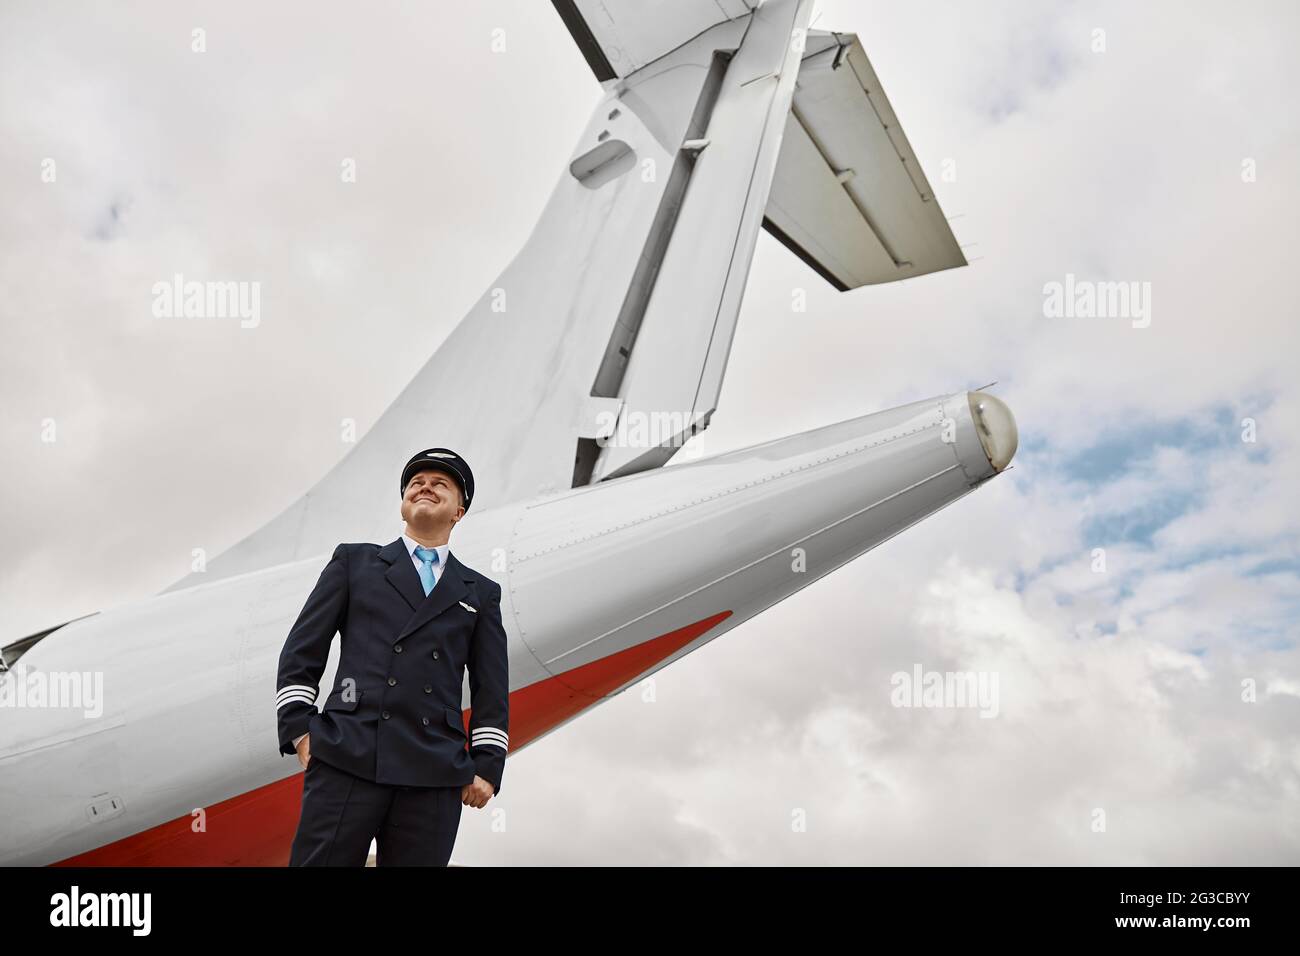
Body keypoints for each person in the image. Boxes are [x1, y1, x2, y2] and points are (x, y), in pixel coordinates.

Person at [276, 447, 509, 866]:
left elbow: (492, 689)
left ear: (459, 511)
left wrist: (488, 766)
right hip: (348, 755)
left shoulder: (479, 592)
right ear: (404, 504)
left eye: (440, 484)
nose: (425, 487)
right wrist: (300, 732)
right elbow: (302, 649)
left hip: (435, 771)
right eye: (416, 483)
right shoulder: (355, 562)